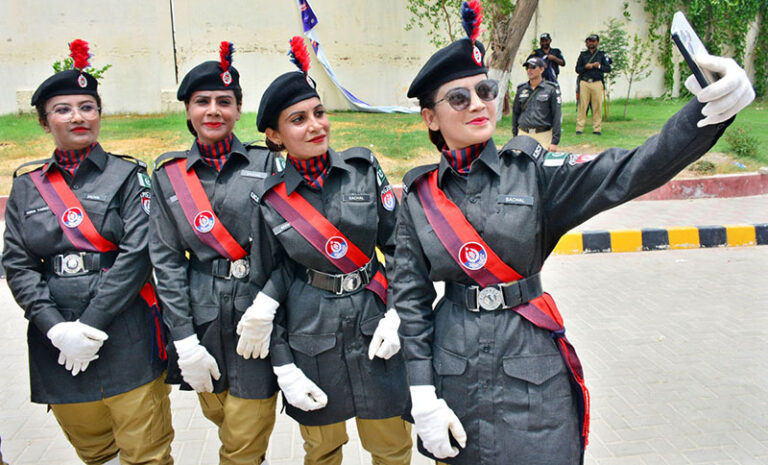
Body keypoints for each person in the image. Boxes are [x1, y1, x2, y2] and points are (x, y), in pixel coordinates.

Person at [395, 1, 754, 464]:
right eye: (459, 98)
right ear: (430, 118)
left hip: (530, 375)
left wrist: (709, 110)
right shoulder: (418, 197)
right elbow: (411, 301)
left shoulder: (534, 174)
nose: (479, 104)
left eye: (484, 90)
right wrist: (422, 395)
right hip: (454, 374)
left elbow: (630, 170)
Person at [2, 40, 173, 465]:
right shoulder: (26, 186)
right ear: (44, 122)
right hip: (57, 342)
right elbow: (18, 264)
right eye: (63, 109)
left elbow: (138, 254)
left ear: (99, 113)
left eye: (87, 107)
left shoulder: (129, 175)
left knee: (147, 453)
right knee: (95, 453)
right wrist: (55, 328)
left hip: (126, 332)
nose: (78, 117)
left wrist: (91, 325)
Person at [249, 36, 412, 465]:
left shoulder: (362, 169)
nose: (315, 125)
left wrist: (399, 313)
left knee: (392, 446)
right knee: (321, 451)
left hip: (376, 325)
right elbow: (266, 284)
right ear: (274, 135)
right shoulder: (270, 200)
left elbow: (399, 248)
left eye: (319, 113)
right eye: (298, 119)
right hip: (311, 337)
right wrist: (283, 364)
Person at [149, 42, 279, 464]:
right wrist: (184, 339)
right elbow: (167, 262)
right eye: (202, 102)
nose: (213, 111)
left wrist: (268, 307)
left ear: (239, 110)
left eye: (224, 102)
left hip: (256, 315)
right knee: (222, 417)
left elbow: (286, 247)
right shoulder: (168, 176)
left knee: (244, 436)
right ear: (188, 110)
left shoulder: (268, 164)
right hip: (201, 314)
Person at [512, 56, 561, 151]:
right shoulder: (521, 89)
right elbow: (515, 113)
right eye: (527, 68)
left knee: (542, 160)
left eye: (533, 67)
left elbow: (556, 115)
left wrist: (554, 141)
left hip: (543, 136)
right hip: (523, 134)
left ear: (542, 69)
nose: (529, 70)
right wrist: (515, 135)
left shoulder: (550, 89)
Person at [575, 33, 612, 135]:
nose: (591, 43)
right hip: (585, 82)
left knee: (597, 106)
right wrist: (585, 67)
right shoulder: (583, 55)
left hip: (597, 82)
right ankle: (579, 128)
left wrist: (598, 66)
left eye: (593, 41)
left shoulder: (601, 55)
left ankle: (597, 128)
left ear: (597, 42)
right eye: (589, 41)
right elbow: (577, 69)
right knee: (582, 106)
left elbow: (608, 68)